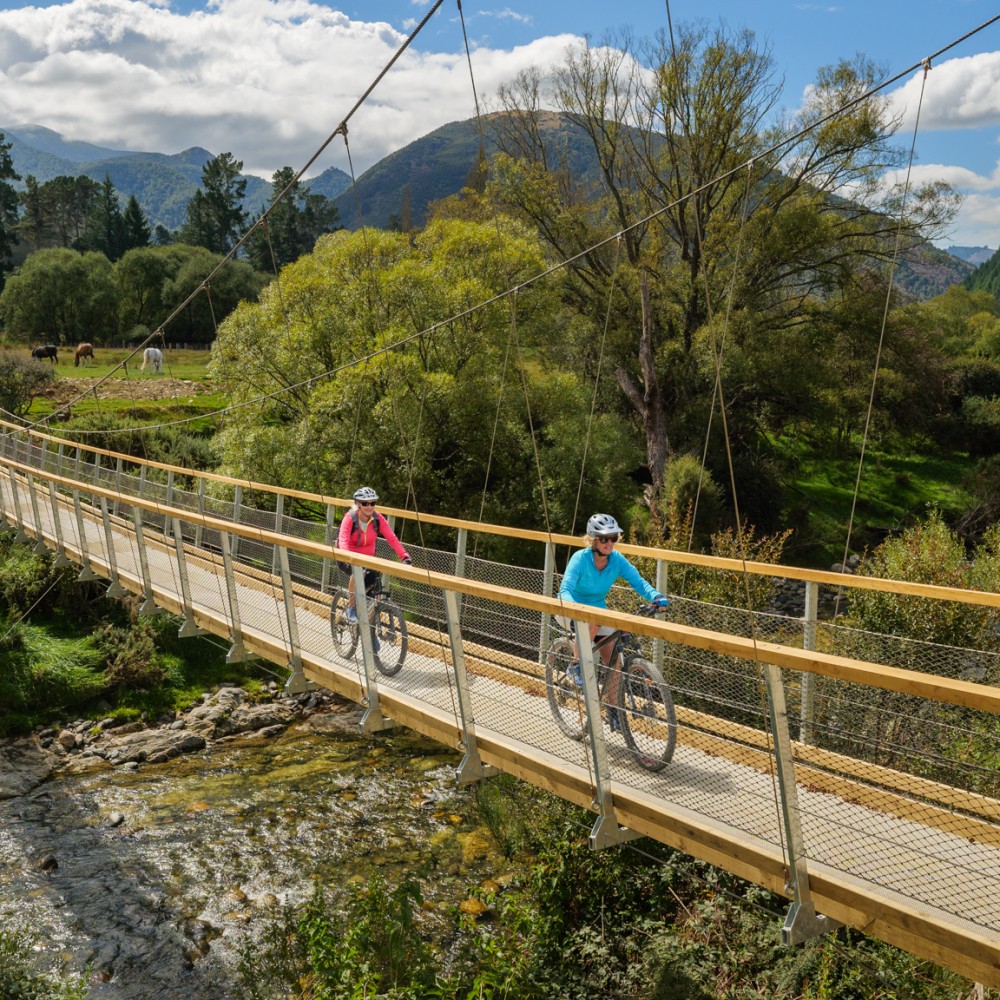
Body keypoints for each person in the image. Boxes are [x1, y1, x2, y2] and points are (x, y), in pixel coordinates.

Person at [557, 513, 669, 726]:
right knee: (591, 622)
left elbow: (638, 582)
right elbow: (565, 590)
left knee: (614, 661)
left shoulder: (616, 560)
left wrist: (656, 596)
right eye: (604, 538)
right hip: (568, 610)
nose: (609, 543)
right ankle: (575, 665)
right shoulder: (580, 559)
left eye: (613, 538)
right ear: (593, 539)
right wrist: (577, 609)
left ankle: (613, 709)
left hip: (599, 612)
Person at [336, 487, 412, 629]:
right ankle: (351, 609)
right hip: (346, 555)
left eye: (372, 503)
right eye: (365, 503)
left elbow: (391, 538)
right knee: (356, 572)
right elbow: (343, 539)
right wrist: (347, 556)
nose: (369, 506)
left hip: (368, 558)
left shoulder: (377, 518)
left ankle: (370, 629)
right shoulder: (350, 517)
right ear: (358, 504)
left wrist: (404, 556)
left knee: (376, 588)